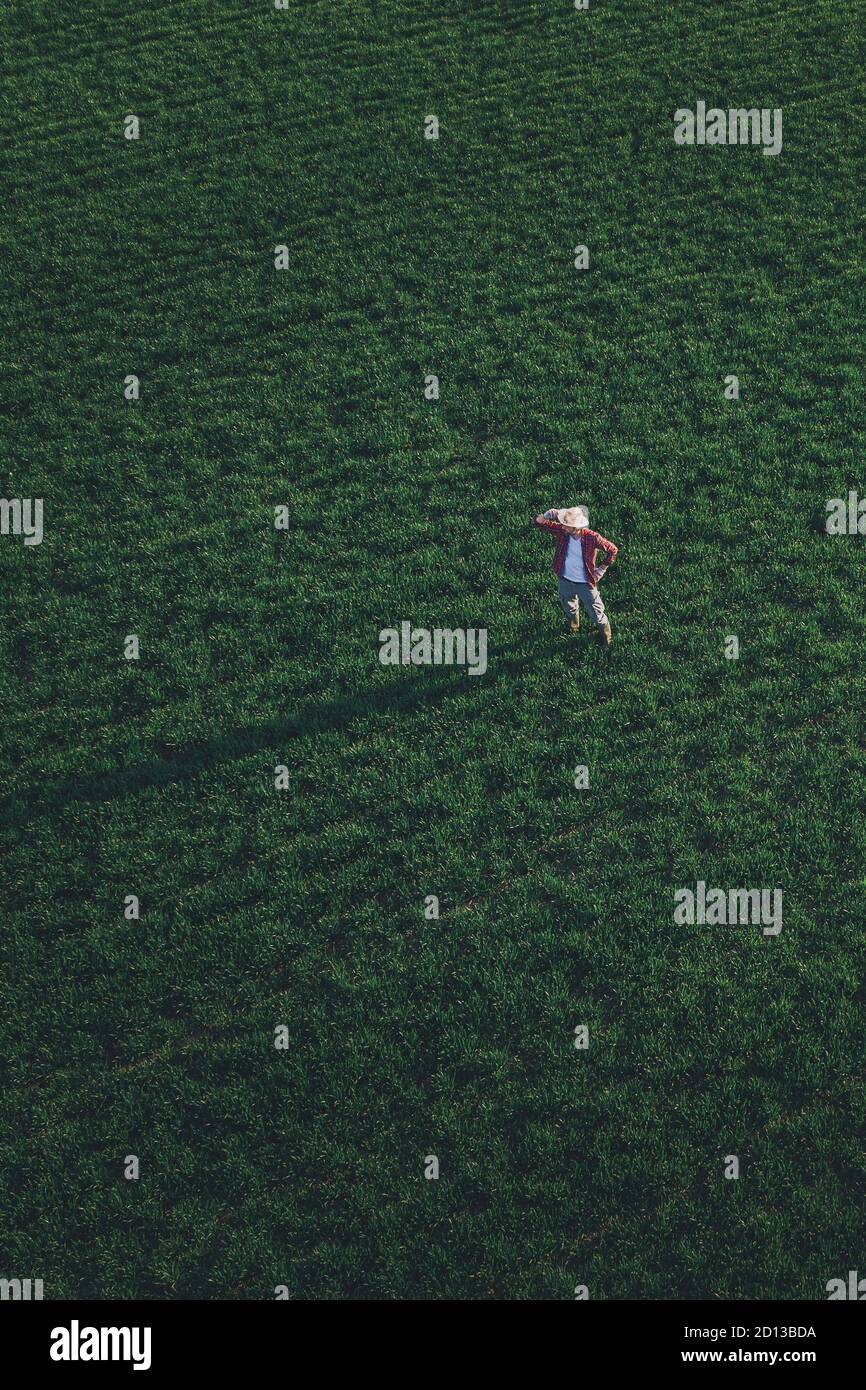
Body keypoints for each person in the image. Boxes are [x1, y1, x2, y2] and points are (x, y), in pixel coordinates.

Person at [533, 506, 618, 646]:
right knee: (569, 606)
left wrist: (602, 569)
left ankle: (606, 638)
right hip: (565, 579)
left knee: (597, 613)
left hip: (585, 583)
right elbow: (539, 522)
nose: (563, 527)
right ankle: (574, 628)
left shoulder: (592, 538)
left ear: (576, 527)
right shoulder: (562, 532)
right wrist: (547, 515)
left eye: (567, 526)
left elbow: (612, 550)